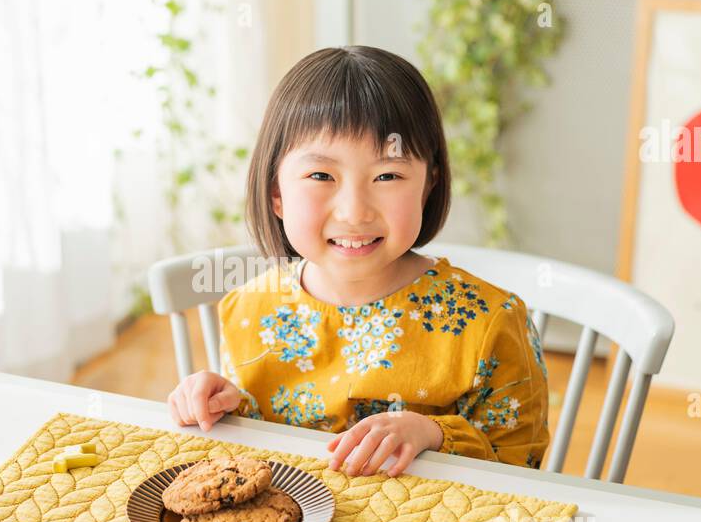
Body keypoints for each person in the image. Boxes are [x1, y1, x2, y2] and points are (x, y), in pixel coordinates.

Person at [166, 45, 550, 476]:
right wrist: (225, 403)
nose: (354, 211)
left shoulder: (491, 322)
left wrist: (433, 434)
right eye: (321, 176)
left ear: (428, 184)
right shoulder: (246, 310)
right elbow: (266, 453)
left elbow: (523, 465)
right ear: (277, 193)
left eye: (387, 176)